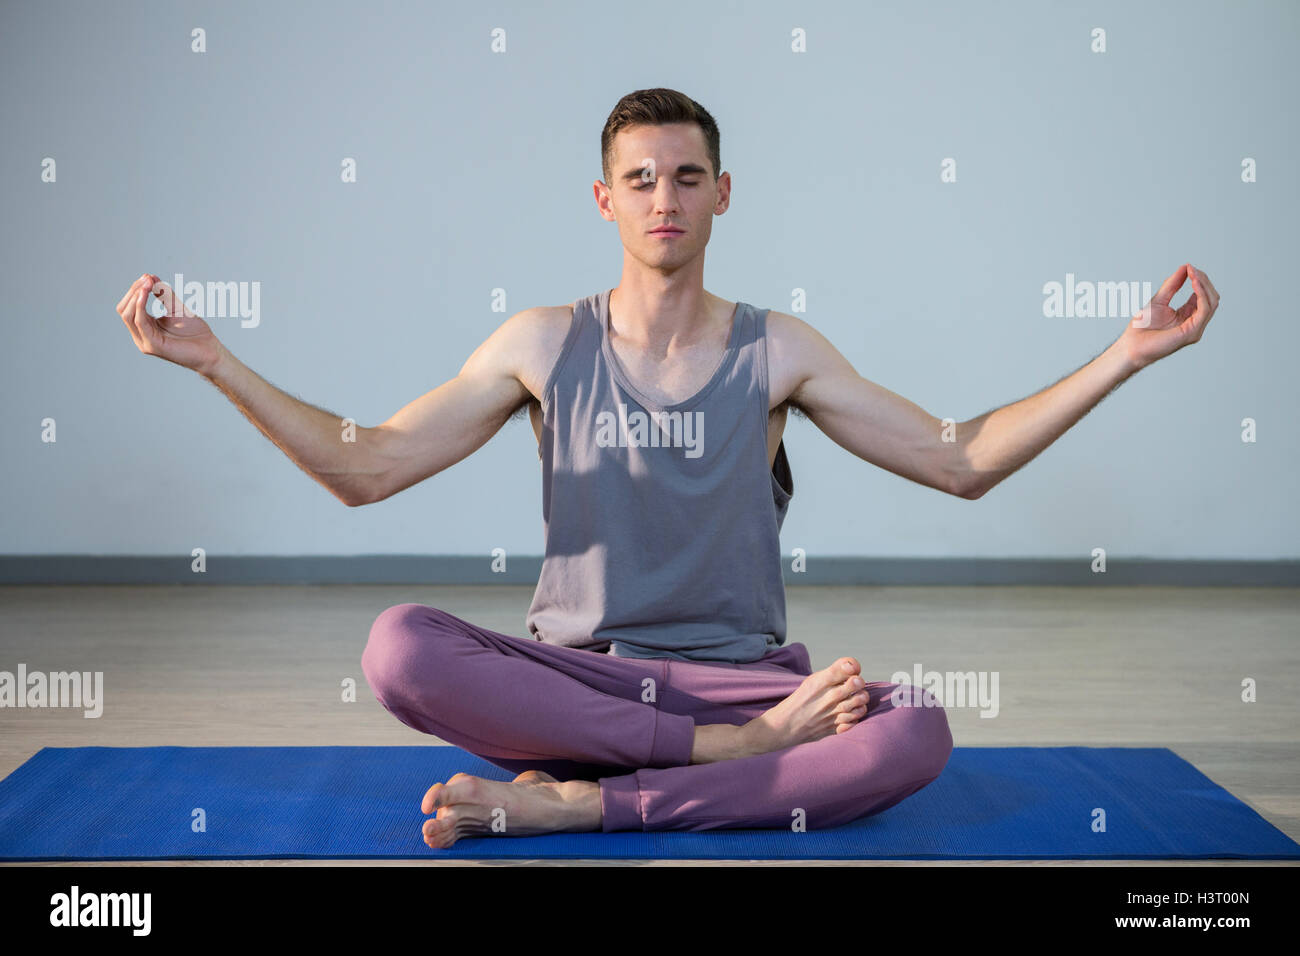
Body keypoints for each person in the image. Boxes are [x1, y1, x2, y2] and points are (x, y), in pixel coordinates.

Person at [112, 88, 1220, 849]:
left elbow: (959, 458)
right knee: (397, 642)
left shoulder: (777, 348)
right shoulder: (542, 343)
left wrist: (1124, 351)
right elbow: (369, 468)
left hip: (743, 676)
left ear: (721, 193)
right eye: (639, 179)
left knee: (921, 718)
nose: (663, 199)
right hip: (580, 684)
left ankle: (580, 810)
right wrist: (215, 363)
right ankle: (709, 766)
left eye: (687, 177)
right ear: (605, 199)